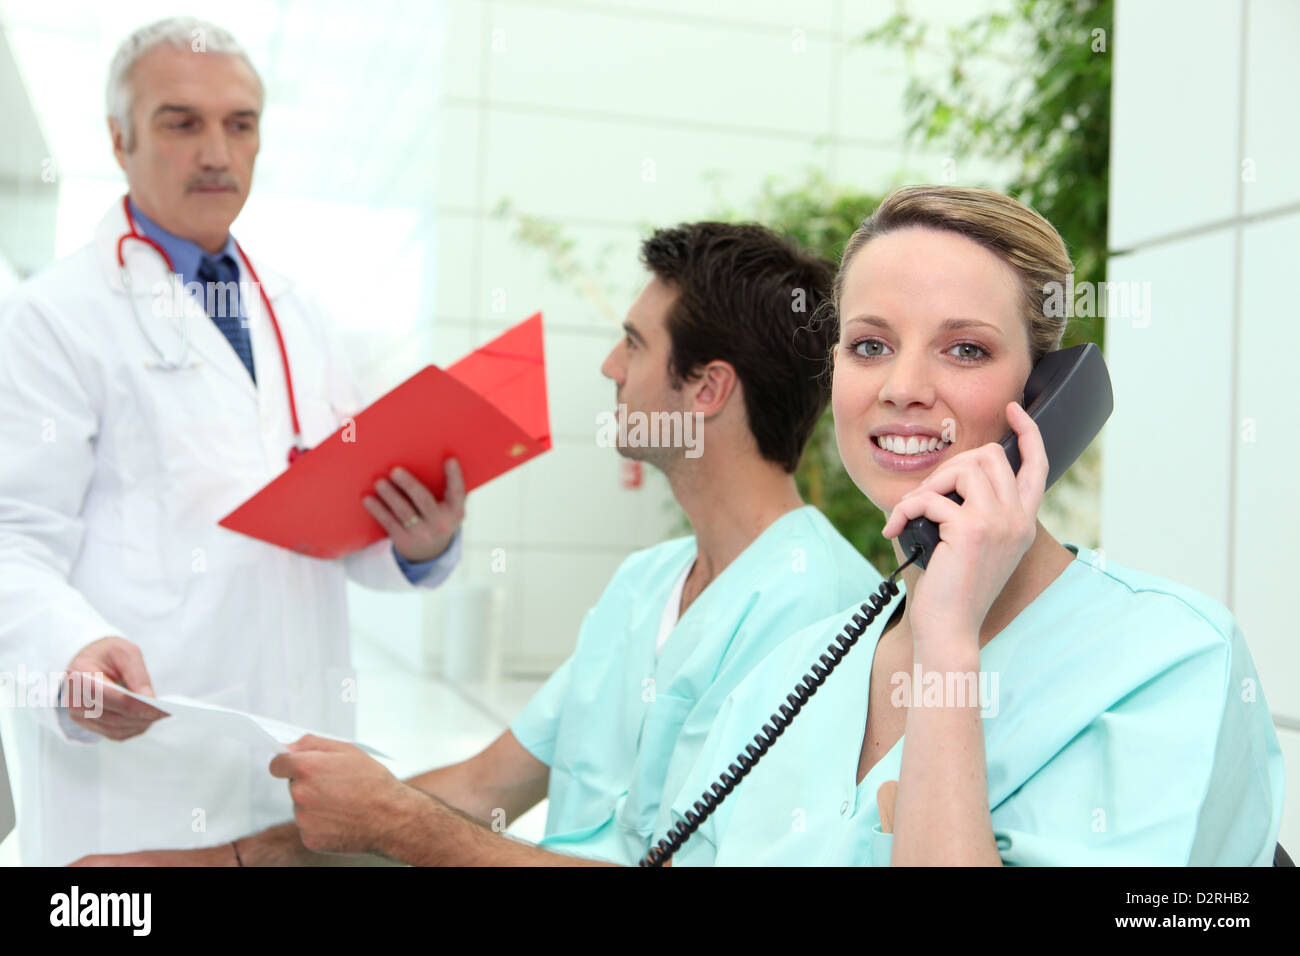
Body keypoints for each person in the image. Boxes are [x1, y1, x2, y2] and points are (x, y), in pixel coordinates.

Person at [75, 221, 887, 866]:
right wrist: (222, 863)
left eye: (635, 343)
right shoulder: (648, 584)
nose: (610, 365)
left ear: (706, 389)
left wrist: (395, 820)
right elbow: (478, 786)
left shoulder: (826, 618)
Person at [655, 185, 1285, 866]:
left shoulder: (1174, 660)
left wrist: (949, 642)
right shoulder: (781, 680)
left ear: (1045, 393)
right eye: (869, 345)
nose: (903, 386)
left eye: (964, 350)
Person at [0, 18, 465, 866]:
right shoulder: (52, 317)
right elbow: (12, 540)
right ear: (120, 138)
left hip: (297, 763)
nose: (217, 151)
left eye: (240, 124)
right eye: (182, 122)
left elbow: (328, 520)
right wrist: (69, 650)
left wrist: (415, 545)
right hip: (144, 758)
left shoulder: (301, 315)